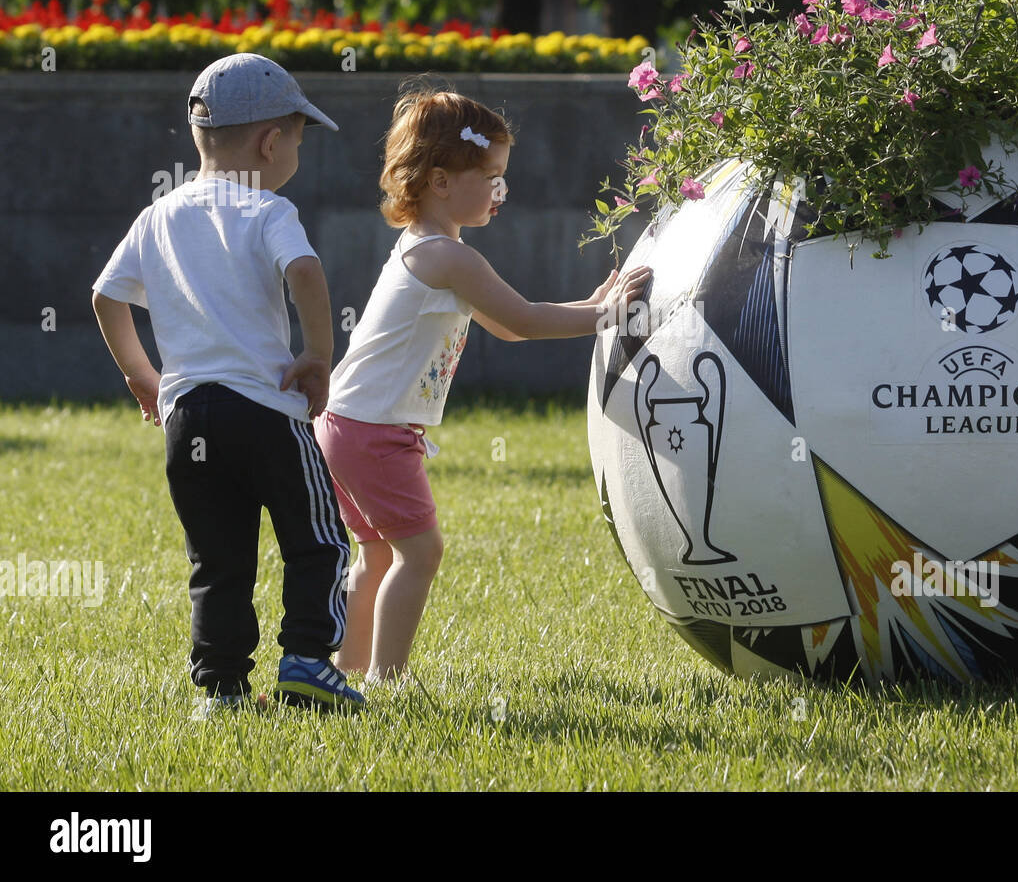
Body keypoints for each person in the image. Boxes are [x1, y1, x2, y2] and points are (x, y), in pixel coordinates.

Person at [314, 83, 651, 688]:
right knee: (421, 554)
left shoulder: (431, 249)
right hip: (373, 432)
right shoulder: (448, 257)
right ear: (441, 181)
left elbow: (510, 325)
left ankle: (346, 670)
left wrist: (591, 305)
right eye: (491, 175)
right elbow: (522, 319)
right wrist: (608, 316)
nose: (502, 189)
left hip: (346, 424)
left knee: (378, 557)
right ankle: (385, 684)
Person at [91, 53, 364, 716]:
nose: (296, 151)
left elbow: (106, 295)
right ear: (271, 142)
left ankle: (220, 690)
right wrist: (319, 353)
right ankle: (305, 661)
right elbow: (305, 273)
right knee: (318, 537)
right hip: (266, 410)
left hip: (188, 420)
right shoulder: (270, 209)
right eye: (297, 139)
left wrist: (142, 376)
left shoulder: (160, 213)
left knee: (217, 558)